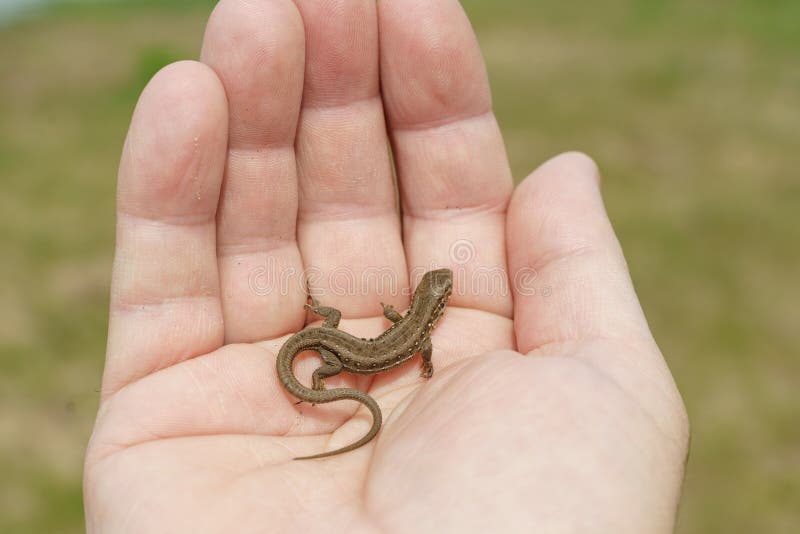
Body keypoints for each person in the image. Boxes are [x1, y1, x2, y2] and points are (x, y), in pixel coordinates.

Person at [83, 0, 689, 531]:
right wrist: (405, 371)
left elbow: (399, 325)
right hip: (345, 353)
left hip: (344, 346)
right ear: (436, 306)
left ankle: (322, 370)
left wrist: (341, 333)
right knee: (335, 354)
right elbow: (415, 345)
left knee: (334, 334)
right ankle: (322, 381)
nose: (441, 290)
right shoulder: (419, 335)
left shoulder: (408, 324)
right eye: (440, 289)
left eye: (437, 289)